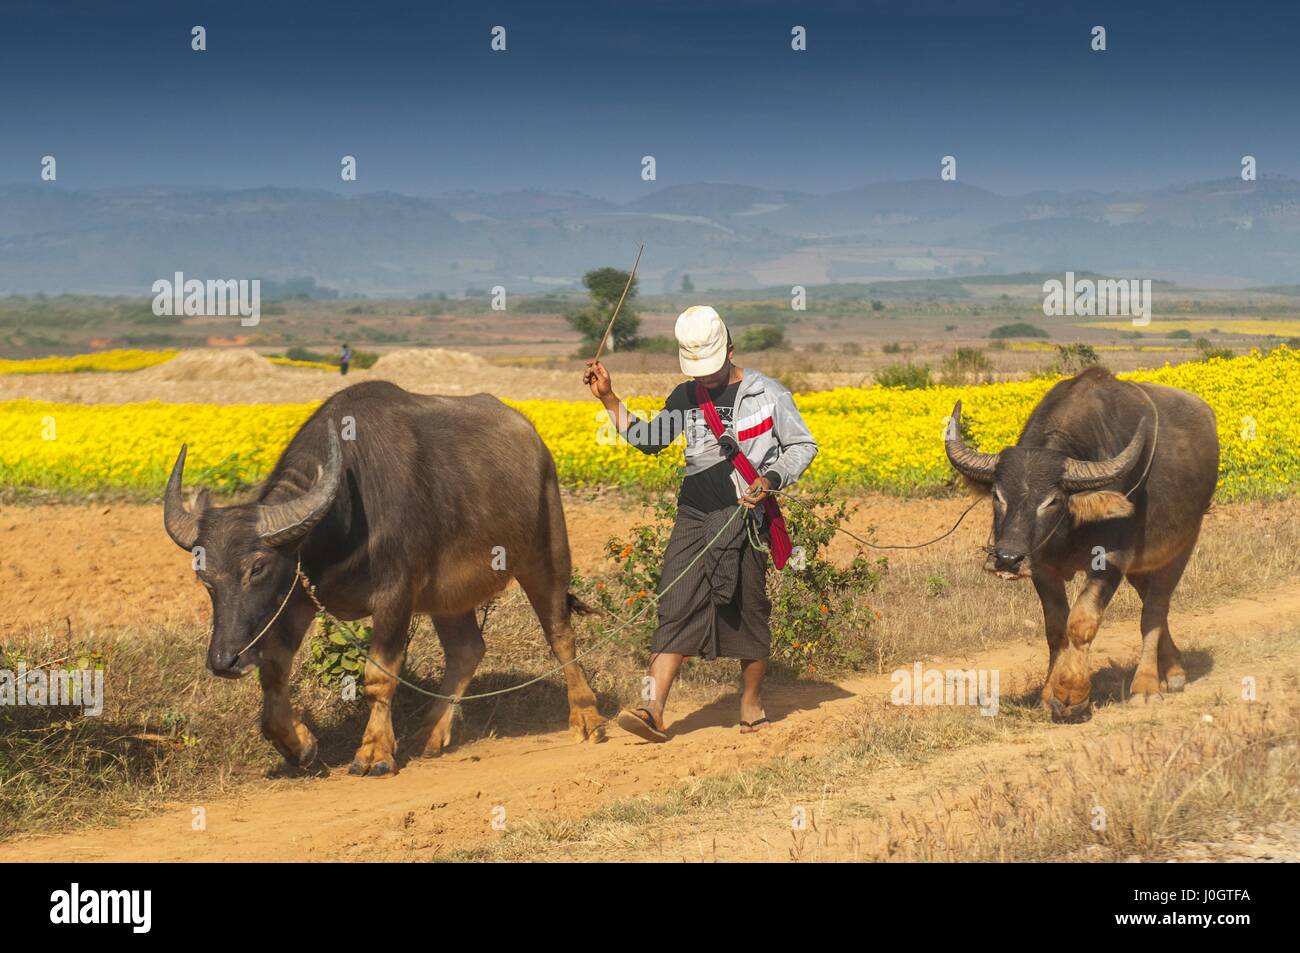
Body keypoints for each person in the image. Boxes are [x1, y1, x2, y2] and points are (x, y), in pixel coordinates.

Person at [583, 305, 817, 742]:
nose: (705, 378)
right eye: (698, 370)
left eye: (711, 368)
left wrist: (770, 479)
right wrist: (609, 399)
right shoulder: (686, 396)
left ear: (730, 348)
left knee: (748, 609)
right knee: (674, 604)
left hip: (746, 516)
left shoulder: (768, 394)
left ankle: (750, 702)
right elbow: (649, 441)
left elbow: (803, 446)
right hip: (693, 516)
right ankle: (652, 708)